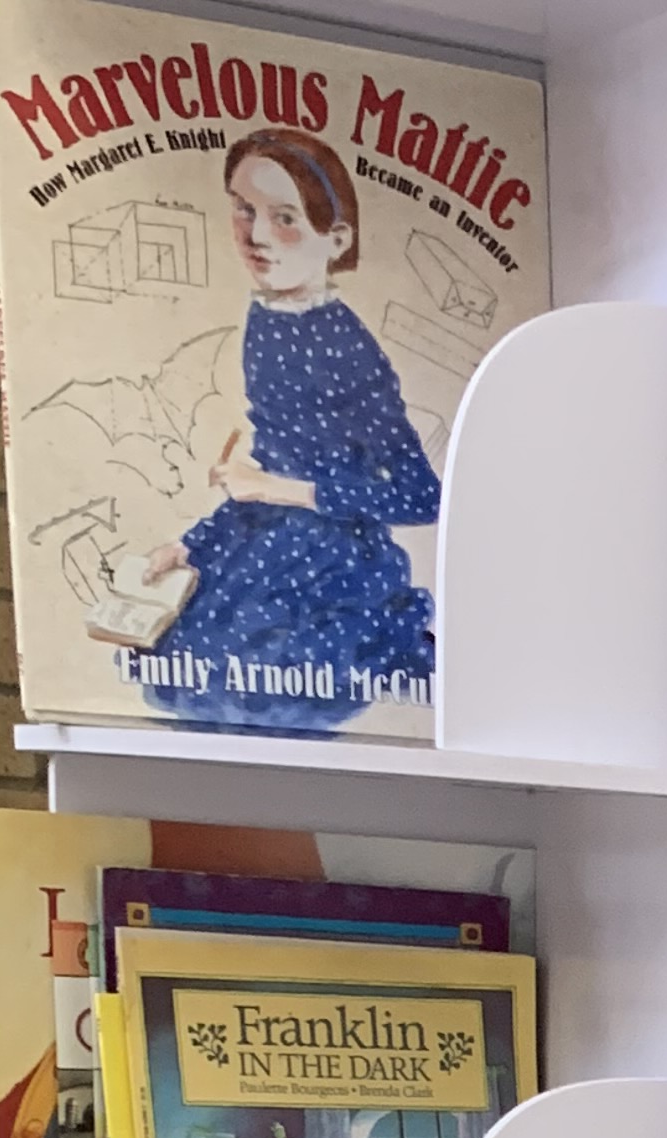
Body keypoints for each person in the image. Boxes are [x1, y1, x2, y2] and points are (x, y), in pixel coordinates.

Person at [131, 133, 441, 739]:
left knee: (263, 702)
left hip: (334, 574)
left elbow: (419, 496)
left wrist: (280, 489)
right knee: (188, 683)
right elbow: (263, 482)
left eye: (285, 218)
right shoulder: (268, 317)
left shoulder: (348, 347)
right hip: (263, 553)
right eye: (243, 208)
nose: (257, 235)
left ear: (338, 239)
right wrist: (191, 544)